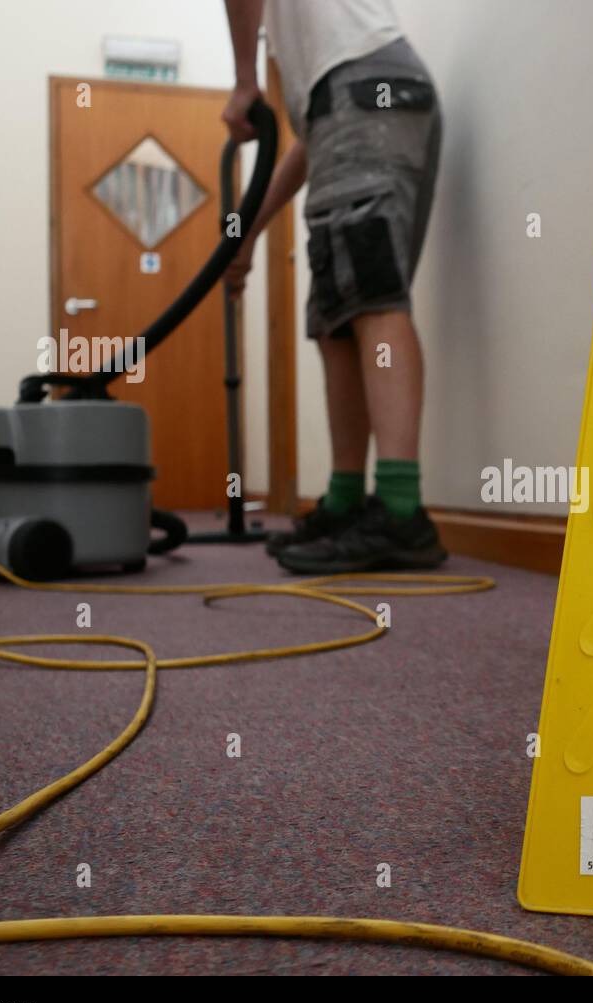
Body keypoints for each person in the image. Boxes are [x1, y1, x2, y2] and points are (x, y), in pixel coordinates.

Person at [221, 0, 445, 574]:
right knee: (335, 318)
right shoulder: (319, 36)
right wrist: (248, 233)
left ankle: (400, 511)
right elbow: (311, 142)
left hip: (365, 94)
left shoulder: (333, 41)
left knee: (372, 299)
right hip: (363, 102)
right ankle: (347, 501)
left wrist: (245, 81)